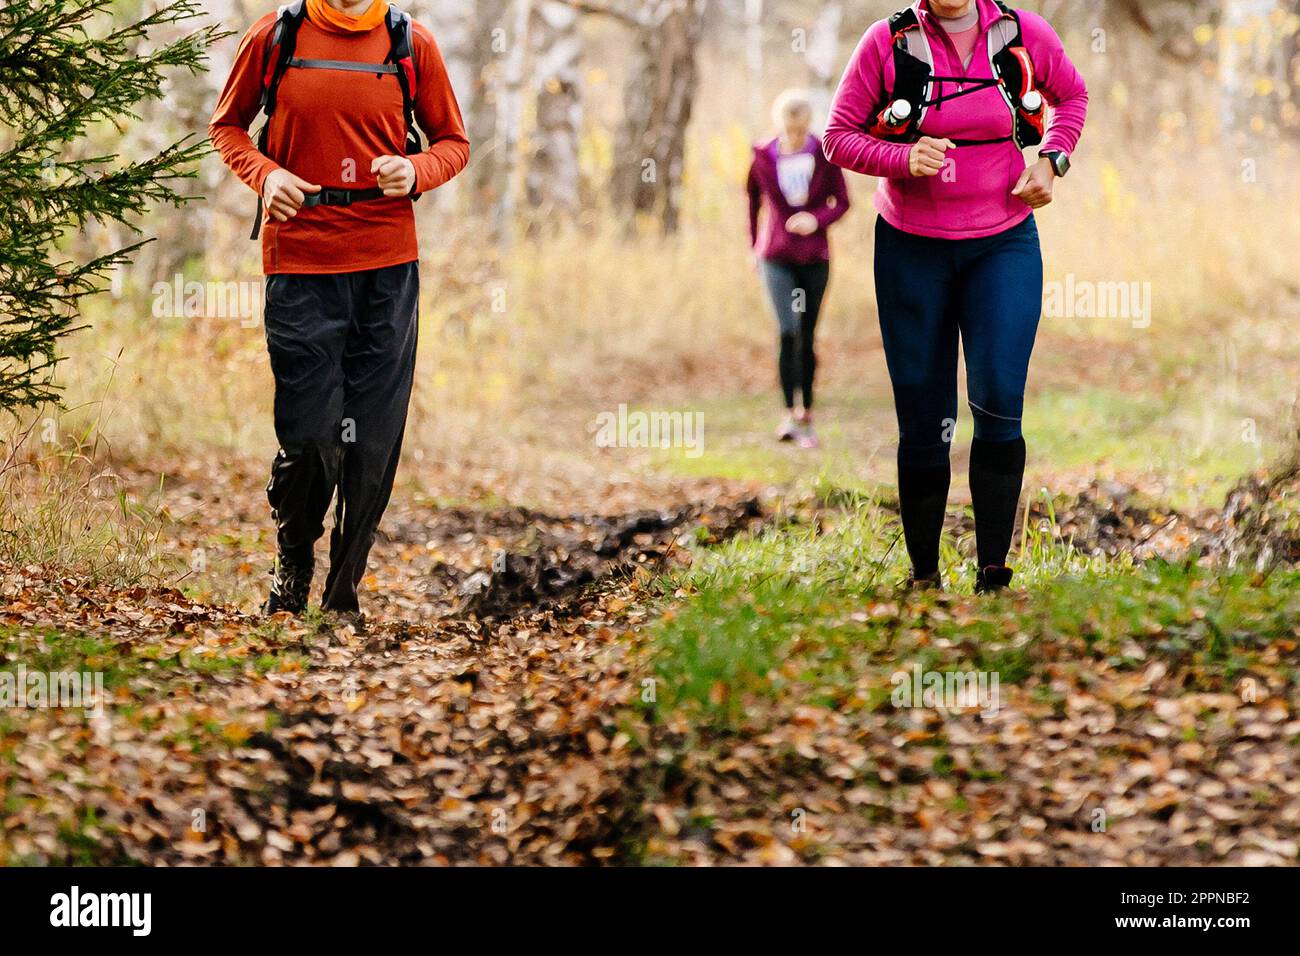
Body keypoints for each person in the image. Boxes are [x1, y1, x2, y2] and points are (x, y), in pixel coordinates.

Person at [209, 0, 469, 623]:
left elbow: (454, 144)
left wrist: (415, 170)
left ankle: (342, 595)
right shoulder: (276, 35)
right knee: (311, 436)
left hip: (386, 269)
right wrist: (265, 175)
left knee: (372, 441)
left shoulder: (410, 42)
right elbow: (227, 127)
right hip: (299, 267)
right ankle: (294, 560)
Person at [822, 0, 1087, 592]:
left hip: (1002, 246)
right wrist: (901, 156)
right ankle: (924, 576)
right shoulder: (888, 41)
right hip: (911, 250)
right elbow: (837, 139)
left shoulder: (1020, 31)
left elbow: (1072, 97)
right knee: (925, 416)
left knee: (997, 401)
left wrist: (1051, 160)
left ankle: (993, 573)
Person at [747, 90, 851, 450]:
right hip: (775, 255)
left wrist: (816, 218)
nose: (793, 136)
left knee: (807, 333)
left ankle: (806, 410)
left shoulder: (824, 153)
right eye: (788, 129)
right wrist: (753, 246)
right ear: (780, 125)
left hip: (814, 256)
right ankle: (788, 410)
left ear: (807, 125)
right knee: (787, 330)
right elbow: (752, 200)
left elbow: (843, 202)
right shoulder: (763, 154)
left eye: (799, 129)